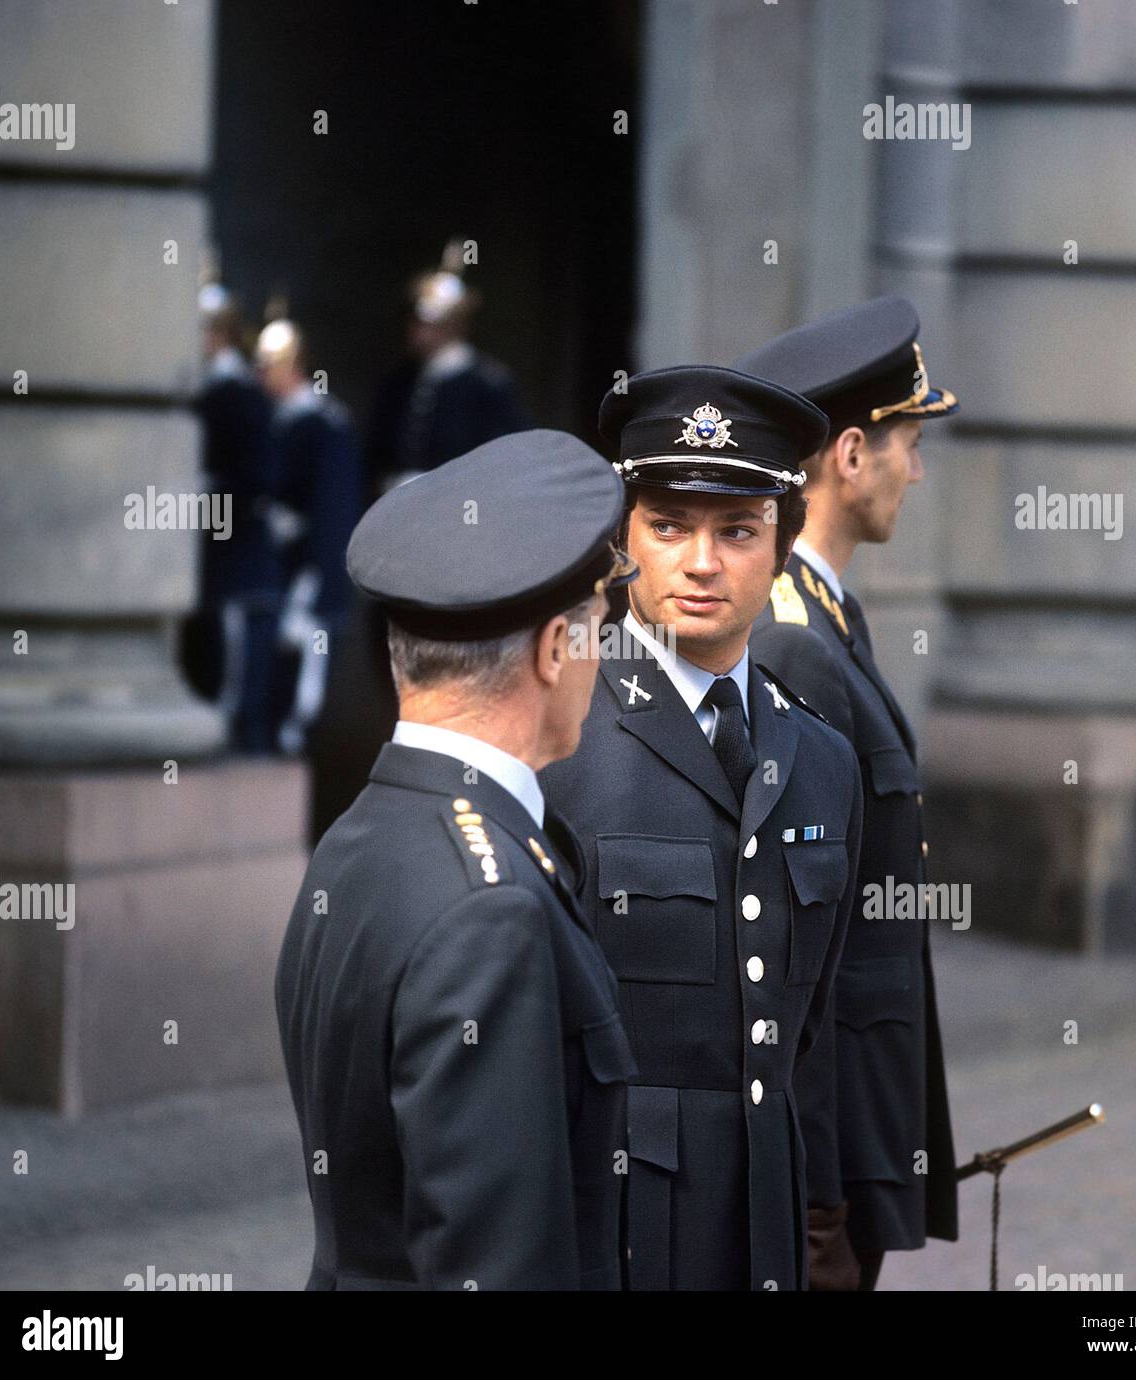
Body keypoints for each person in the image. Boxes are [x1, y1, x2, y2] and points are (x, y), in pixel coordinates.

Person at [275, 430, 640, 1289]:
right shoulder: (490, 907)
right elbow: (497, 1261)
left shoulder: (358, 835)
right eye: (595, 633)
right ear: (555, 650)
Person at [539, 367, 864, 1291]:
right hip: (614, 1240)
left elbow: (813, 1032)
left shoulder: (822, 759)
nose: (702, 563)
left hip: (765, 1232)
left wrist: (823, 1219)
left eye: (738, 531)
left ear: (784, 544)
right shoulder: (558, 742)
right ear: (622, 543)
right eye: (669, 527)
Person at [738, 295, 960, 1290]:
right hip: (823, 1143)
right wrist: (817, 1184)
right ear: (850, 455)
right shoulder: (792, 637)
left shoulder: (824, 612)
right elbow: (789, 948)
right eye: (909, 441)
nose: (917, 470)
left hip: (858, 1112)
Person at [255, 314, 364, 755]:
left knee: (299, 700)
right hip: (271, 574)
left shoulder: (325, 425)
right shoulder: (274, 419)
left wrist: (318, 588)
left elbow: (333, 515)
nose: (261, 374)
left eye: (269, 365)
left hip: (305, 578)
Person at [187, 279, 281, 752]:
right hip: (213, 573)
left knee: (236, 699)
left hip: (239, 572)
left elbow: (255, 481)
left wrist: (199, 491)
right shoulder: (205, 390)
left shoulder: (239, 394)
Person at [366, 242, 530, 493]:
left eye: (429, 324)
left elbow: (504, 462)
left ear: (454, 325)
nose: (417, 331)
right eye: (416, 322)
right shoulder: (400, 381)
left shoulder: (488, 383)